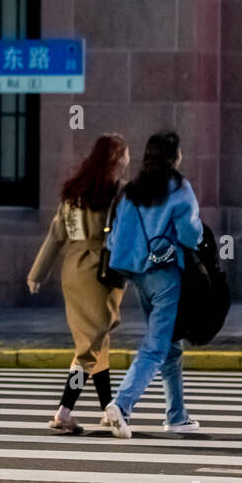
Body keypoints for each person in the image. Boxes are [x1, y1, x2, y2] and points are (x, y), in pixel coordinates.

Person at [101, 131, 203, 439]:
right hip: (166, 275)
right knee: (156, 346)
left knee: (170, 346)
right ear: (174, 157)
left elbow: (118, 232)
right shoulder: (179, 189)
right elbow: (189, 234)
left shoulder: (133, 190)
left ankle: (176, 415)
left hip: (137, 274)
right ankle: (121, 404)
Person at [27, 134, 130, 434]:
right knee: (88, 349)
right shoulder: (116, 192)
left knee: (98, 343)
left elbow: (56, 235)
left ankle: (106, 408)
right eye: (125, 154)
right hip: (100, 272)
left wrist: (37, 274)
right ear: (115, 159)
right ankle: (63, 411)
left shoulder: (74, 191)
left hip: (72, 270)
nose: (128, 160)